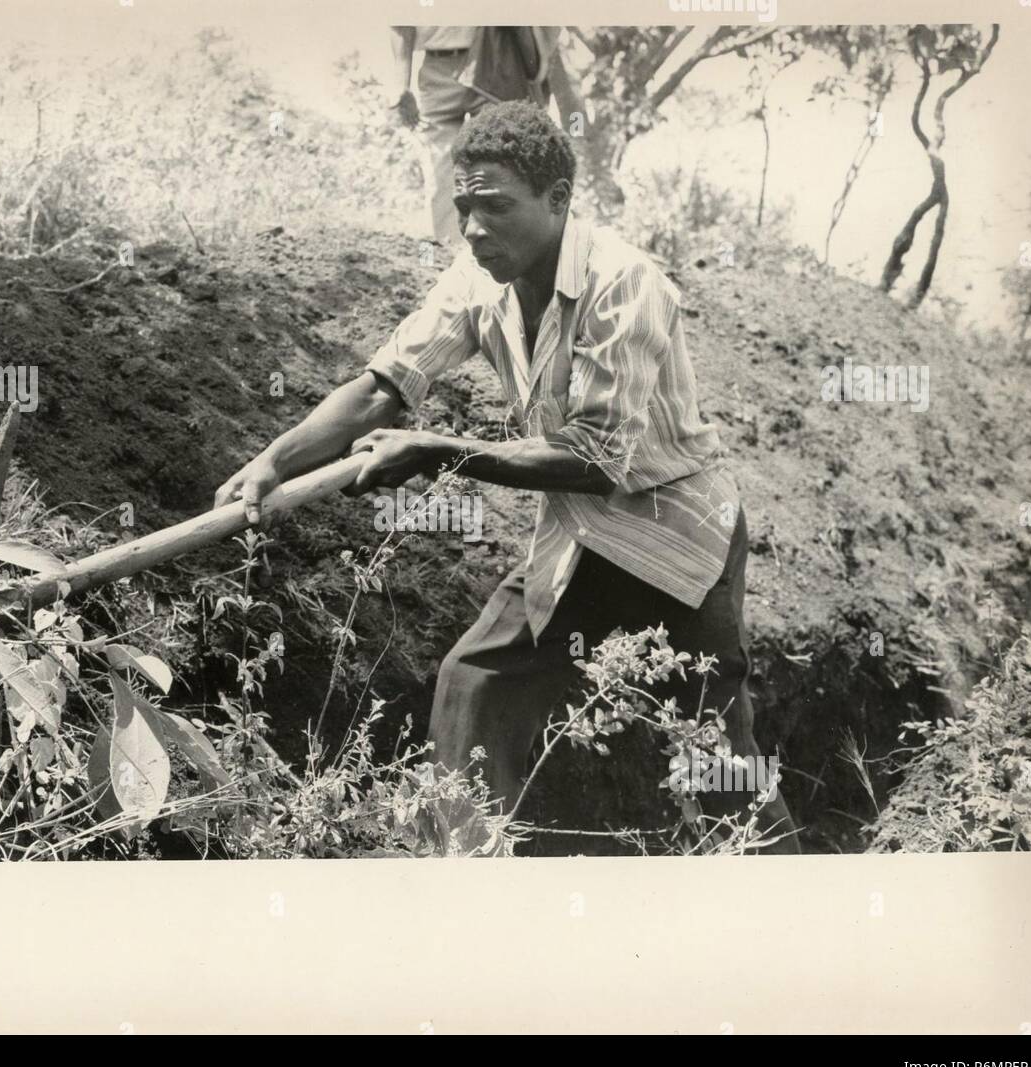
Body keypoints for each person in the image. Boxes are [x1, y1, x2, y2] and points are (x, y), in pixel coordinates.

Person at [215, 100, 803, 855]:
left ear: (558, 200)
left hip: (676, 548)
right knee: (475, 683)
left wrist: (435, 453)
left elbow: (595, 458)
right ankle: (465, 877)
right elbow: (380, 389)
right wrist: (274, 461)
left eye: (494, 206)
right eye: (463, 207)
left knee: (717, 764)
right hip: (580, 542)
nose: (473, 227)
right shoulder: (478, 279)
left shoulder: (626, 284)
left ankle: (803, 904)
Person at [389, 26, 555, 248]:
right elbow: (401, 22)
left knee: (499, 163)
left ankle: (500, 255)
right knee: (439, 169)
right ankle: (446, 255)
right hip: (438, 66)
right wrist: (401, 85)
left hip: (495, 58)